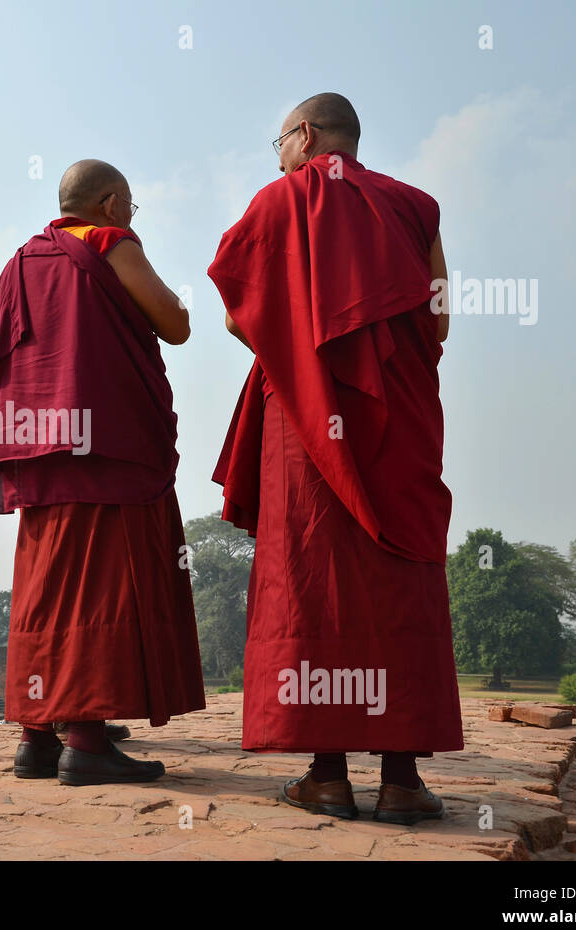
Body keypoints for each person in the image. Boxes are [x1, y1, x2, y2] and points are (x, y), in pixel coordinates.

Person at [208, 94, 463, 824]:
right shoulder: (418, 206)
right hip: (402, 416)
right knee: (397, 577)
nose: (276, 155)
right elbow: (439, 314)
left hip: (310, 417)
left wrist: (303, 355)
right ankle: (402, 778)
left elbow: (235, 315)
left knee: (317, 575)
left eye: (277, 140)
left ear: (307, 136)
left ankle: (325, 775)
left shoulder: (280, 199)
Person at [0, 159, 206, 786]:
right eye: (130, 204)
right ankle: (86, 741)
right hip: (106, 447)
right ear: (110, 204)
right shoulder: (108, 243)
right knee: (102, 586)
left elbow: (1, 358)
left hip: (37, 445)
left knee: (44, 583)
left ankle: (35, 737)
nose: (132, 215)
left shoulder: (20, 261)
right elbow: (176, 325)